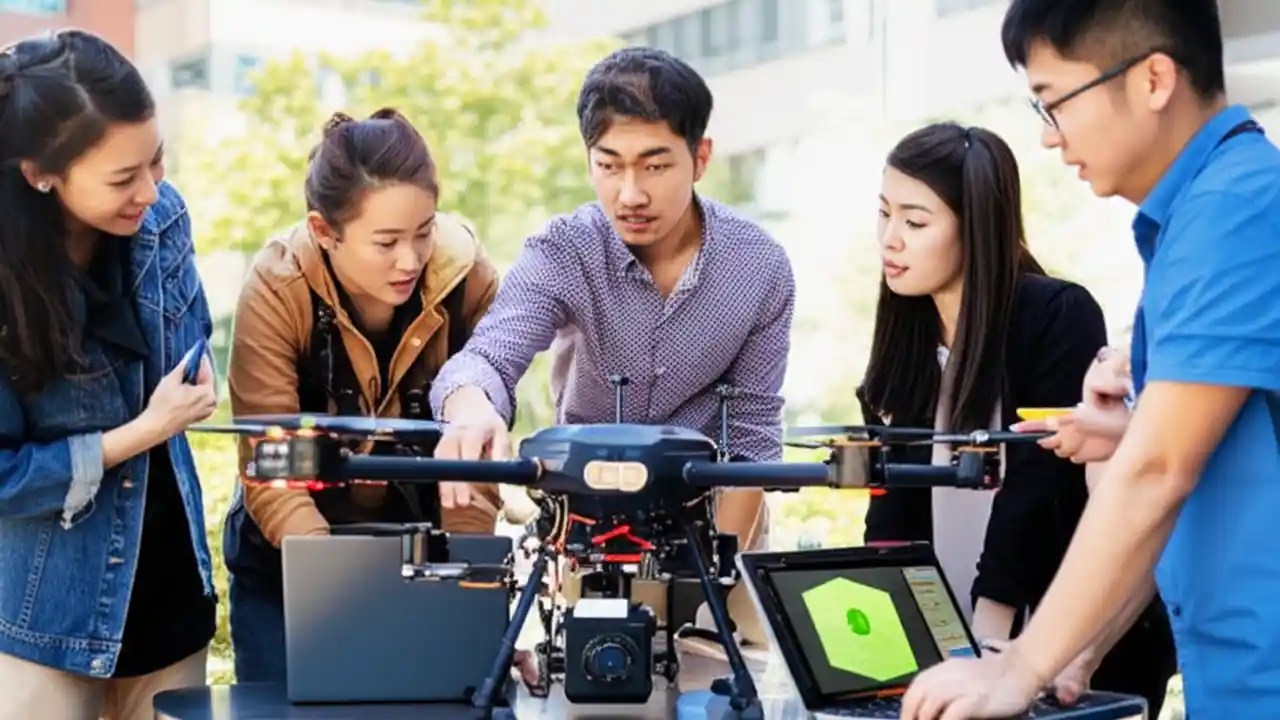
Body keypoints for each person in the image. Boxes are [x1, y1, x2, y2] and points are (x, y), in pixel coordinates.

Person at [902, 1, 1280, 718]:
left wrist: (1019, 666)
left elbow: (1158, 472)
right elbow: (1184, 464)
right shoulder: (1203, 215)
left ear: (1153, 79)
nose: (1049, 139)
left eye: (1053, 103)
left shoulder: (1236, 208)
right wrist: (1076, 654)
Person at [859, 122, 1175, 713]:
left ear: (975, 228)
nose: (890, 239)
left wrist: (989, 645)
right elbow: (891, 508)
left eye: (915, 221)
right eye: (884, 214)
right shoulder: (906, 338)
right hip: (954, 649)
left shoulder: (1056, 313)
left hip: (1066, 650)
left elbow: (1033, 487)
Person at [429, 46, 795, 555]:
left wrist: (714, 579)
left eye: (655, 166)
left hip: (716, 521)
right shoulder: (563, 249)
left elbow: (752, 445)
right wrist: (470, 408)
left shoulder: (759, 267)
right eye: (609, 165)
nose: (630, 194)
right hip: (584, 523)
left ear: (700, 158)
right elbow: (489, 356)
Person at [222, 109, 506, 683]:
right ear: (325, 231)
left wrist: (472, 597)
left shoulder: (468, 277)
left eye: (424, 232)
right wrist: (345, 599)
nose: (411, 259)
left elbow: (475, 458)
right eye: (386, 242)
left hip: (428, 551)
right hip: (291, 557)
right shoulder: (279, 287)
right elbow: (272, 469)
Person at [0, 30, 218, 719]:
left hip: (171, 595)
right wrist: (140, 432)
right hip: (45, 618)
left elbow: (190, 372)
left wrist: (161, 417)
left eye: (156, 161)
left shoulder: (163, 219)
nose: (151, 191)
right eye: (123, 178)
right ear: (40, 172)